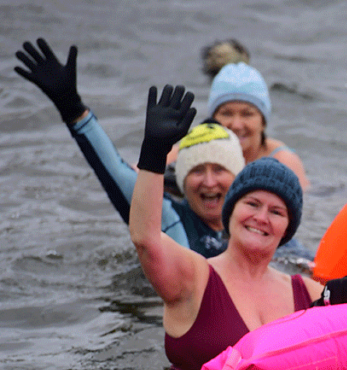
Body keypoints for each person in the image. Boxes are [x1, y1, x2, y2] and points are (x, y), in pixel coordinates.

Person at [128, 83, 324, 370]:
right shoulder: (194, 277)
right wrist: (153, 154)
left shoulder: (309, 293)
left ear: (288, 228)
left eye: (276, 212)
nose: (261, 217)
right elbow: (146, 239)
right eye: (252, 204)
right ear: (230, 210)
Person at [13, 38, 247, 258]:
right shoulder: (168, 217)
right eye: (197, 171)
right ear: (182, 180)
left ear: (238, 178)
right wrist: (72, 109)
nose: (208, 182)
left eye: (219, 169)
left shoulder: (251, 222)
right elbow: (115, 171)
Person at [205, 62, 309, 190]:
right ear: (213, 119)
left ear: (263, 122)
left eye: (247, 114)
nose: (236, 125)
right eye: (226, 113)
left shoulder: (283, 163)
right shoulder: (190, 154)